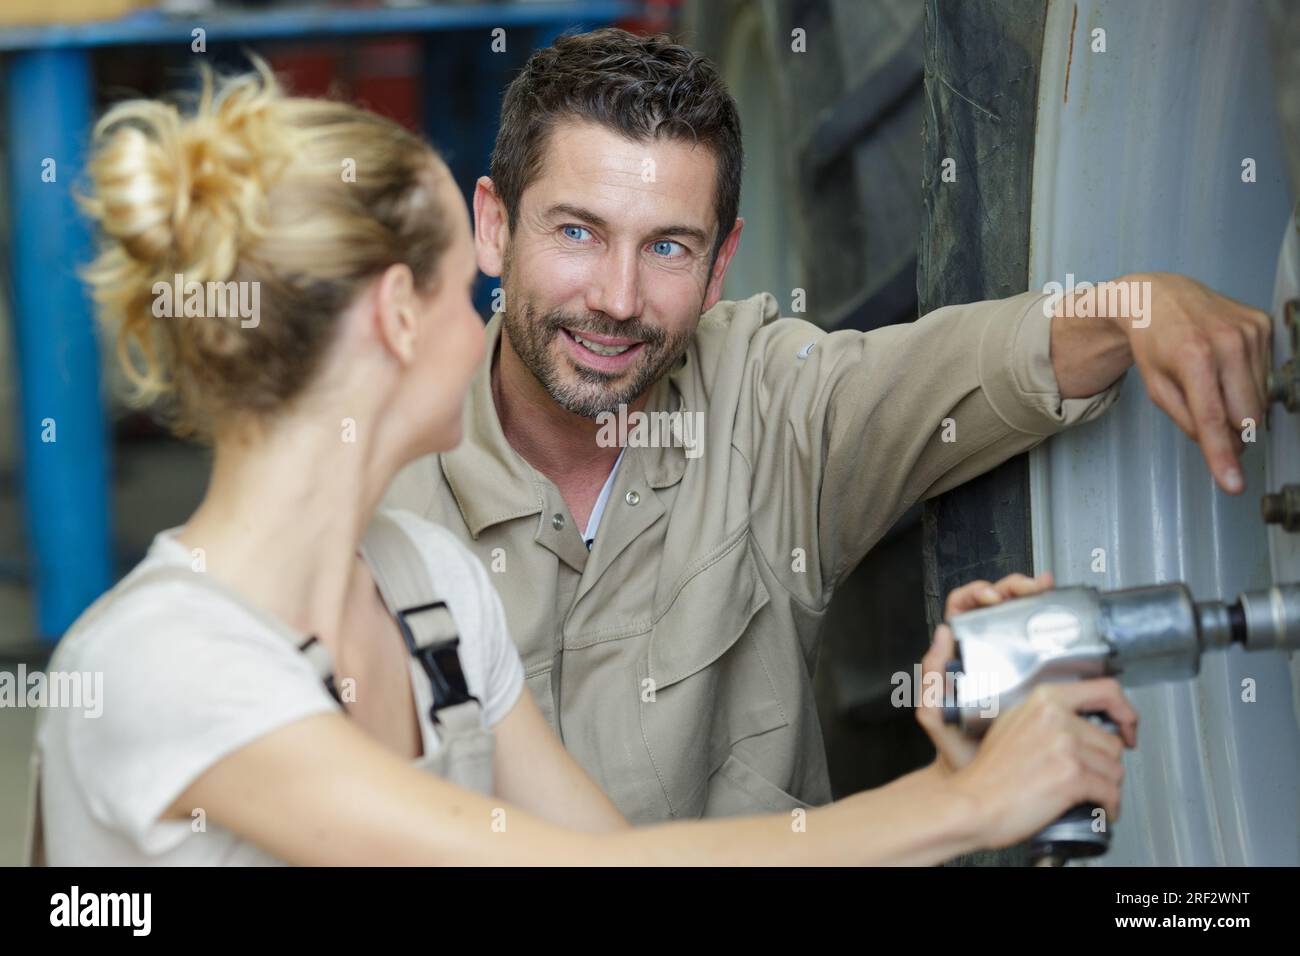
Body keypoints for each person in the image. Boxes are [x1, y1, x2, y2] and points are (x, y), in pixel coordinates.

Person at [28, 61, 1137, 866]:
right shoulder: (160, 663)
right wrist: (963, 806)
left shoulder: (423, 587)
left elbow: (616, 851)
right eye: (474, 277)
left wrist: (956, 771)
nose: (505, 317)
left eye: (664, 246)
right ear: (398, 320)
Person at [382, 28, 1269, 822]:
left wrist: (1138, 307)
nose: (618, 300)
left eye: (667, 248)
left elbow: (964, 365)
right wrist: (958, 807)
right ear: (493, 226)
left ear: (721, 262)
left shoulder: (770, 405)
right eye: (577, 232)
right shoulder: (373, 481)